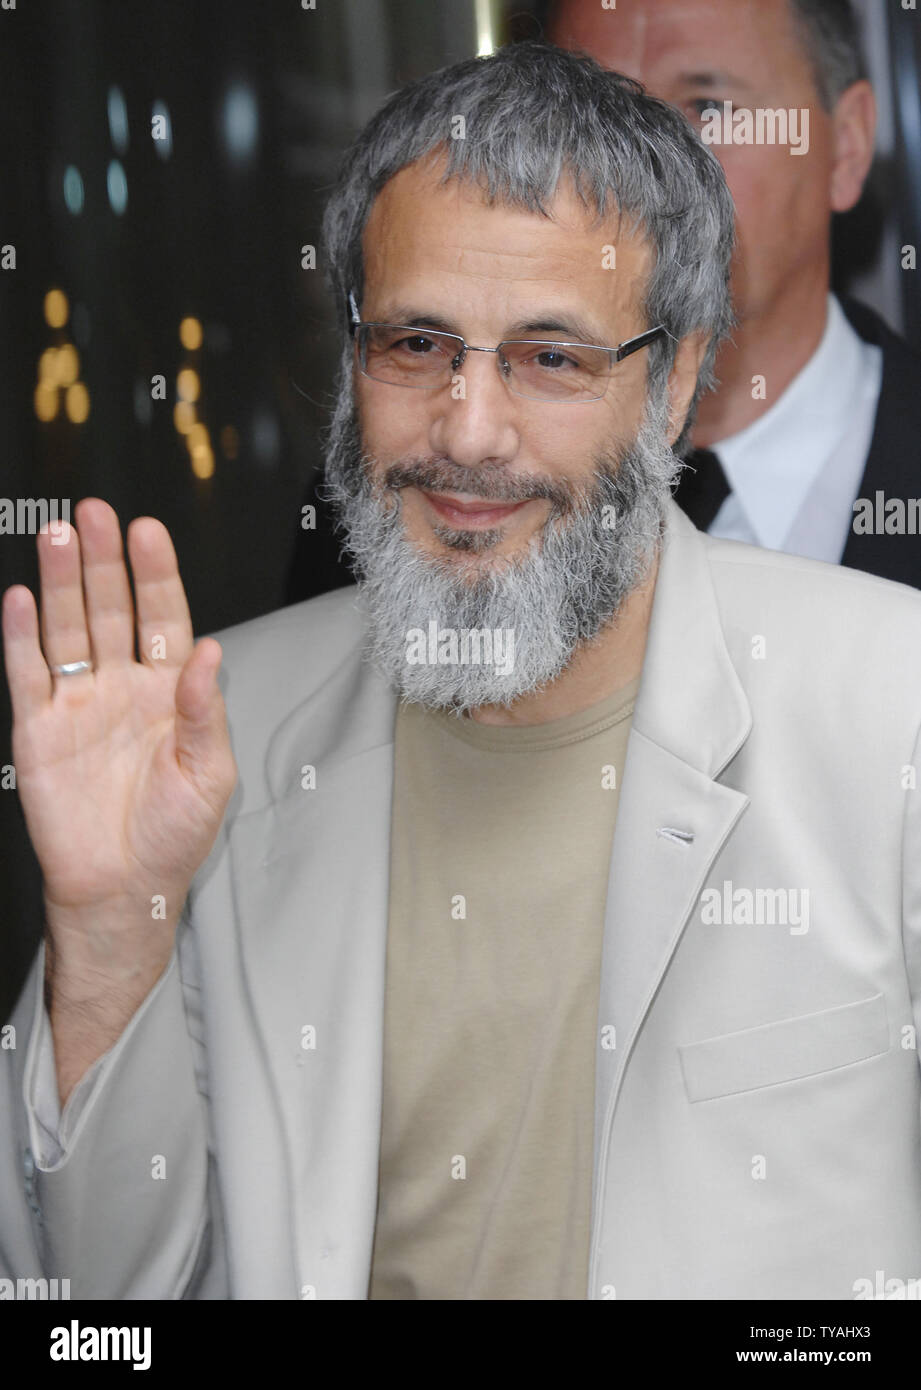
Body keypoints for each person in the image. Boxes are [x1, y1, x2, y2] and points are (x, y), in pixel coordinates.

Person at [2, 41, 921, 1302]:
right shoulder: (212, 736)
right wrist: (109, 938)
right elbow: (101, 1301)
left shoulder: (892, 703)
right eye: (418, 344)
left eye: (552, 357)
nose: (468, 431)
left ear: (676, 383)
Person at [548, 0, 921, 588]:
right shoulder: (454, 487)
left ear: (846, 146)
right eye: (597, 115)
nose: (643, 172)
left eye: (708, 110)